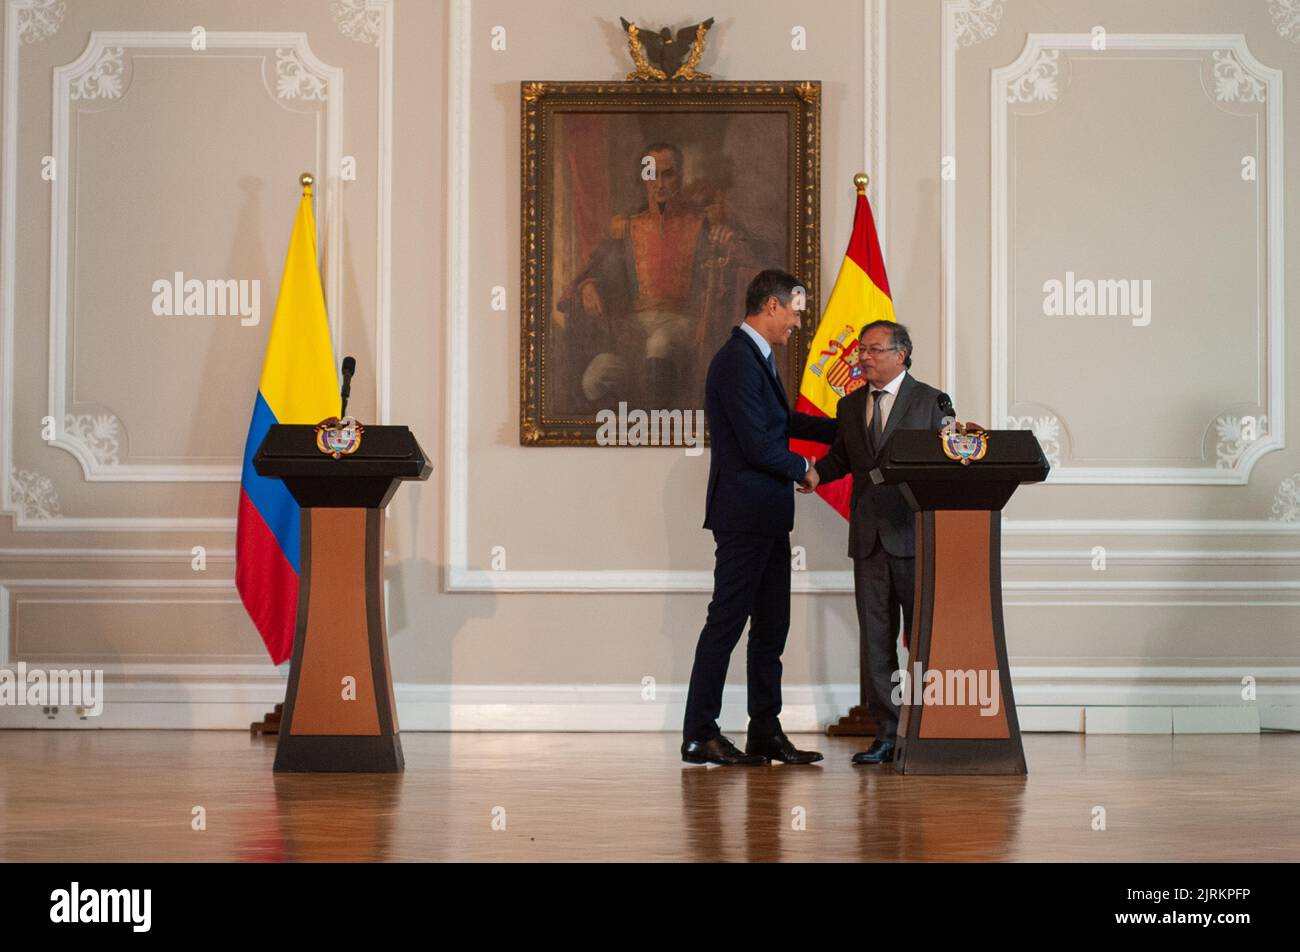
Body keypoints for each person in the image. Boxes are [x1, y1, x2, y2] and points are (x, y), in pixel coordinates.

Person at [681, 269, 837, 765]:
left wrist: (847, 428)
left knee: (771, 628)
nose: (798, 320)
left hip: (768, 515)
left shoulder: (758, 359)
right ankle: (699, 733)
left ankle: (765, 732)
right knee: (726, 623)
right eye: (794, 310)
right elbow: (757, 444)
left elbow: (783, 421)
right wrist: (805, 470)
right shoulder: (735, 362)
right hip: (744, 515)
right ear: (771, 305)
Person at [812, 320, 953, 764]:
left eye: (873, 350)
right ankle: (888, 733)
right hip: (868, 540)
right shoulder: (850, 406)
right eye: (861, 351)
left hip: (915, 537)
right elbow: (842, 458)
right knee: (876, 639)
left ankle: (929, 727)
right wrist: (814, 474)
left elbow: (949, 461)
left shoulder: (931, 401)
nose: (864, 358)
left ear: (901, 354)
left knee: (924, 639)